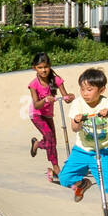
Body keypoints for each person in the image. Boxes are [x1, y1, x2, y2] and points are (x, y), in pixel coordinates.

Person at [58, 67, 108, 216]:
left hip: (103, 152)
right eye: (82, 89)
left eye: (90, 89)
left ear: (101, 90)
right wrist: (77, 120)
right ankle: (82, 183)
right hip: (82, 151)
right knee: (64, 178)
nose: (85, 93)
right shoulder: (77, 104)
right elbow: (74, 129)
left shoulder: (105, 102)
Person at [27, 53, 73, 184]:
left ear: (50, 66)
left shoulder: (56, 79)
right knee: (50, 138)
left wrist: (69, 97)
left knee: (52, 141)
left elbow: (65, 97)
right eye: (40, 67)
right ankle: (56, 167)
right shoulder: (33, 84)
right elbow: (36, 104)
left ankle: (37, 144)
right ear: (34, 68)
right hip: (36, 114)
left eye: (46, 67)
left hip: (48, 115)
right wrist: (45, 99)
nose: (43, 70)